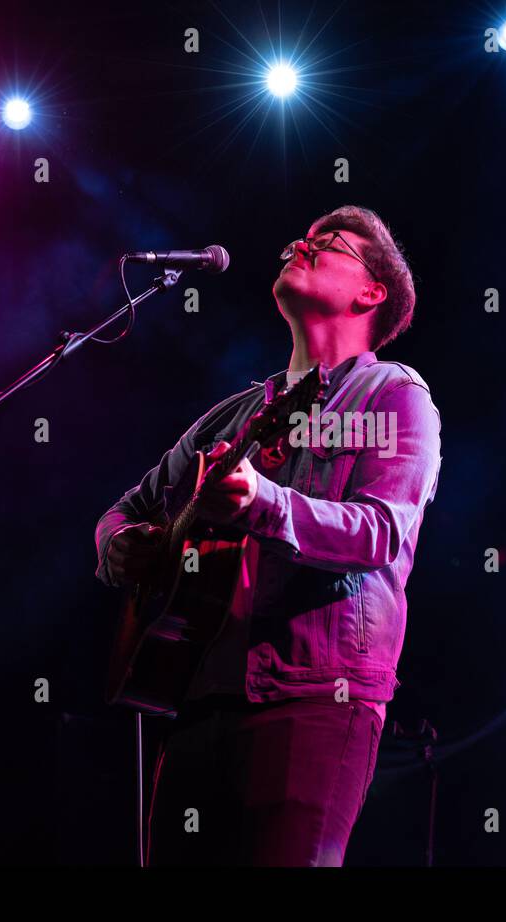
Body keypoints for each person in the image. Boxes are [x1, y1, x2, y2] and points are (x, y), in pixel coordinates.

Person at [94, 205, 441, 865]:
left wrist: (262, 501)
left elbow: (380, 532)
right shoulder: (235, 414)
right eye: (301, 237)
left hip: (313, 696)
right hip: (197, 696)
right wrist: (117, 546)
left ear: (372, 292)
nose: (300, 243)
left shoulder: (393, 396)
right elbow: (125, 509)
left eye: (328, 241)